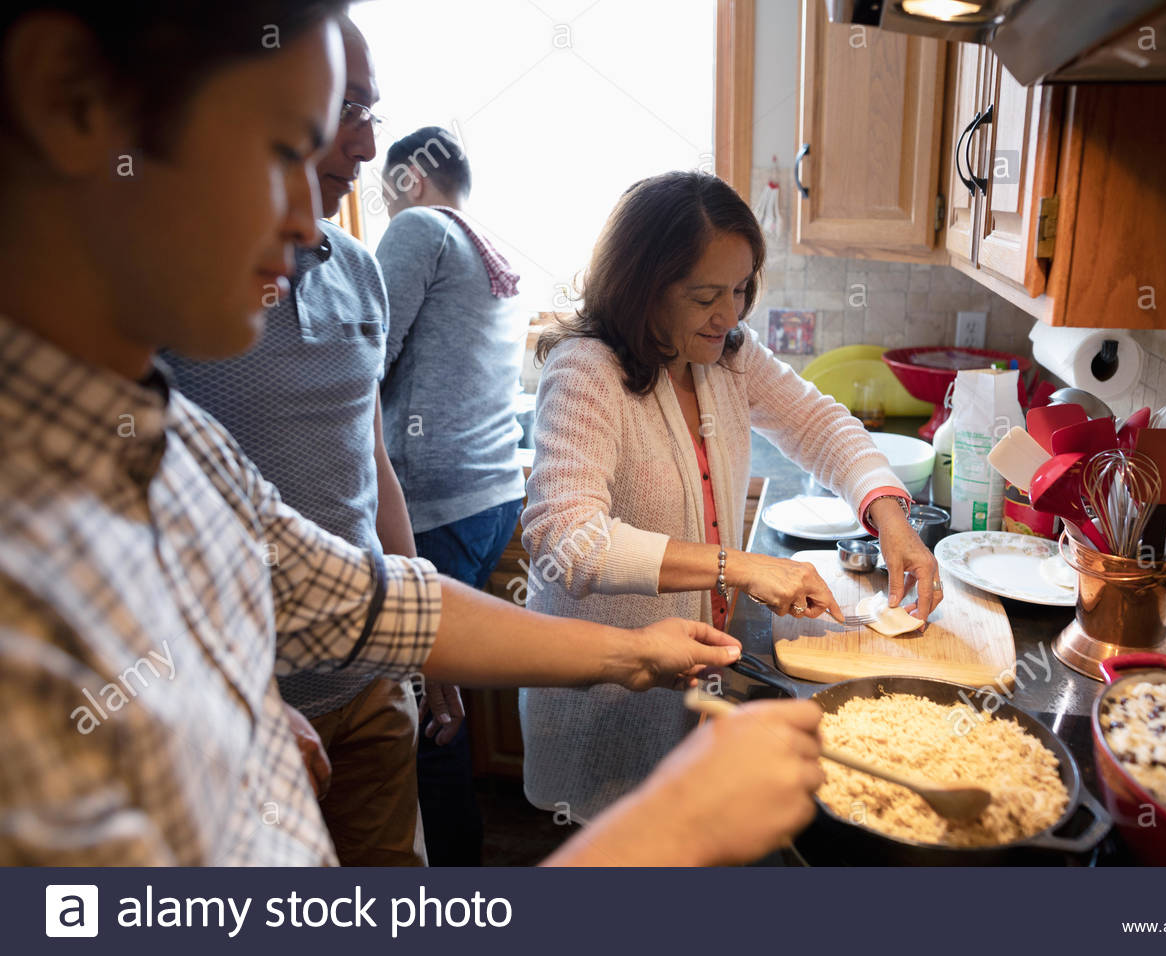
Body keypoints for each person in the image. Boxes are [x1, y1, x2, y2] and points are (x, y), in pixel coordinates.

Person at [0, 1, 822, 868]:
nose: (314, 209)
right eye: (288, 148)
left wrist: (634, 653)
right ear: (71, 98)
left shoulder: (184, 449)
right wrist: (676, 826)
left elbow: (375, 603)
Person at [522, 170, 945, 821]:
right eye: (705, 296)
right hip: (605, 696)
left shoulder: (727, 355)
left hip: (695, 675)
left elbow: (816, 423)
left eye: (742, 288)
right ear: (643, 287)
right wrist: (740, 567)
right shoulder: (586, 372)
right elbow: (566, 541)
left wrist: (891, 517)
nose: (732, 313)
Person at [160, 17, 432, 866]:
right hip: (234, 713)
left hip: (371, 682)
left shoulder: (362, 271)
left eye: (368, 111)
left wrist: (428, 660)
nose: (362, 139)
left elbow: (373, 467)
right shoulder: (168, 301)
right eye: (335, 110)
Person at [375, 126, 528, 864]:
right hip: (492, 496)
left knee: (418, 699)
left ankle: (454, 875)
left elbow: (359, 357)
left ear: (408, 180)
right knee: (442, 684)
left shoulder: (417, 227)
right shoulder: (486, 244)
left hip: (432, 505)